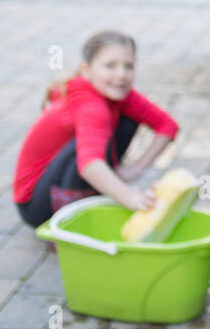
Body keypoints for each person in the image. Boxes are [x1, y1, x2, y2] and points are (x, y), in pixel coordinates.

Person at [13, 30, 178, 229]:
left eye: (128, 66)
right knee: (90, 143)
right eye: (110, 66)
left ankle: (95, 194)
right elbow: (89, 164)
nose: (121, 74)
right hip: (36, 206)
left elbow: (168, 126)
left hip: (63, 178)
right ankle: (71, 220)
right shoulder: (90, 105)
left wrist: (136, 168)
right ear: (87, 71)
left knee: (126, 121)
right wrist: (130, 198)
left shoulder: (119, 93)